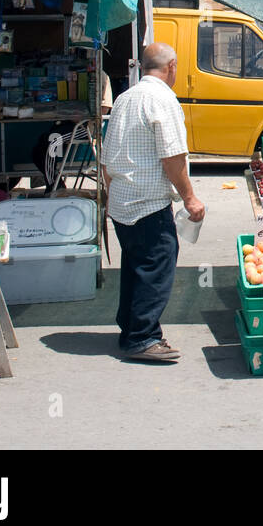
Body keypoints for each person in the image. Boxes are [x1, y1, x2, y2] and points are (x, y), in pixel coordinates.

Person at [100, 43, 206, 362]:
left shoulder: (125, 98)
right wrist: (190, 198)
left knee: (136, 266)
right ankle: (143, 337)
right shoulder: (162, 99)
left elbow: (106, 158)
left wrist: (111, 194)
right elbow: (172, 156)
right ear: (171, 66)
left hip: (122, 201)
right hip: (147, 202)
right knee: (157, 264)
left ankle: (131, 329)